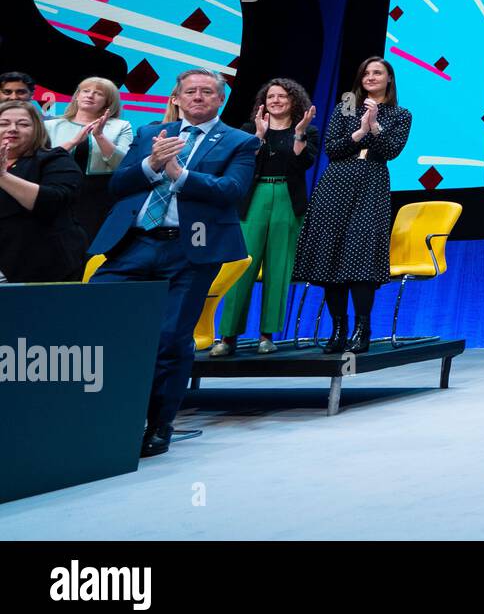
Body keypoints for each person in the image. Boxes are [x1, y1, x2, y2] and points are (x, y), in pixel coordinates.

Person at [88, 69, 259, 457]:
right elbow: (117, 186)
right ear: (177, 98)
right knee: (92, 318)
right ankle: (99, 414)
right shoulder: (150, 134)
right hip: (133, 244)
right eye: (191, 91)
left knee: (169, 339)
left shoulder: (240, 141)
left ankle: (159, 424)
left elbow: (231, 190)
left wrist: (179, 174)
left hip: (190, 250)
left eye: (207, 92)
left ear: (220, 100)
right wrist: (150, 166)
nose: (198, 97)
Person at [293, 57, 411, 354]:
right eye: (366, 73)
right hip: (336, 183)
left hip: (372, 182)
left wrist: (374, 127)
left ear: (389, 79)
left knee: (360, 256)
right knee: (331, 256)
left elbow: (391, 151)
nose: (371, 77)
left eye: (377, 73)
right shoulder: (345, 107)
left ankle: (362, 328)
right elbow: (332, 149)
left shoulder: (400, 114)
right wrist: (359, 131)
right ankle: (338, 328)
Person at [211, 79, 319, 356]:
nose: (276, 100)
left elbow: (302, 164)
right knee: (241, 266)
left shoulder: (307, 131)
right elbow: (242, 162)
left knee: (278, 269)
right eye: (271, 96)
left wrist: (299, 134)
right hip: (255, 197)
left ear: (293, 101)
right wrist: (258, 136)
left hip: (287, 198)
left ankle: (266, 335)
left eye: (282, 96)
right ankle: (228, 337)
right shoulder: (249, 130)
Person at [0, 100, 87, 284]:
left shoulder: (54, 159)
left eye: (23, 124)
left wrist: (3, 176)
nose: (12, 129)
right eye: (3, 123)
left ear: (37, 129)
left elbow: (51, 202)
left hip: (43, 266)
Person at [45, 77, 134, 241]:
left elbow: (123, 164)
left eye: (98, 93)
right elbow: (42, 160)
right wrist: (72, 143)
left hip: (98, 197)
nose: (90, 95)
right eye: (86, 91)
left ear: (108, 102)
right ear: (77, 96)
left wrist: (100, 136)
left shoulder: (121, 126)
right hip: (58, 190)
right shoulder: (51, 125)